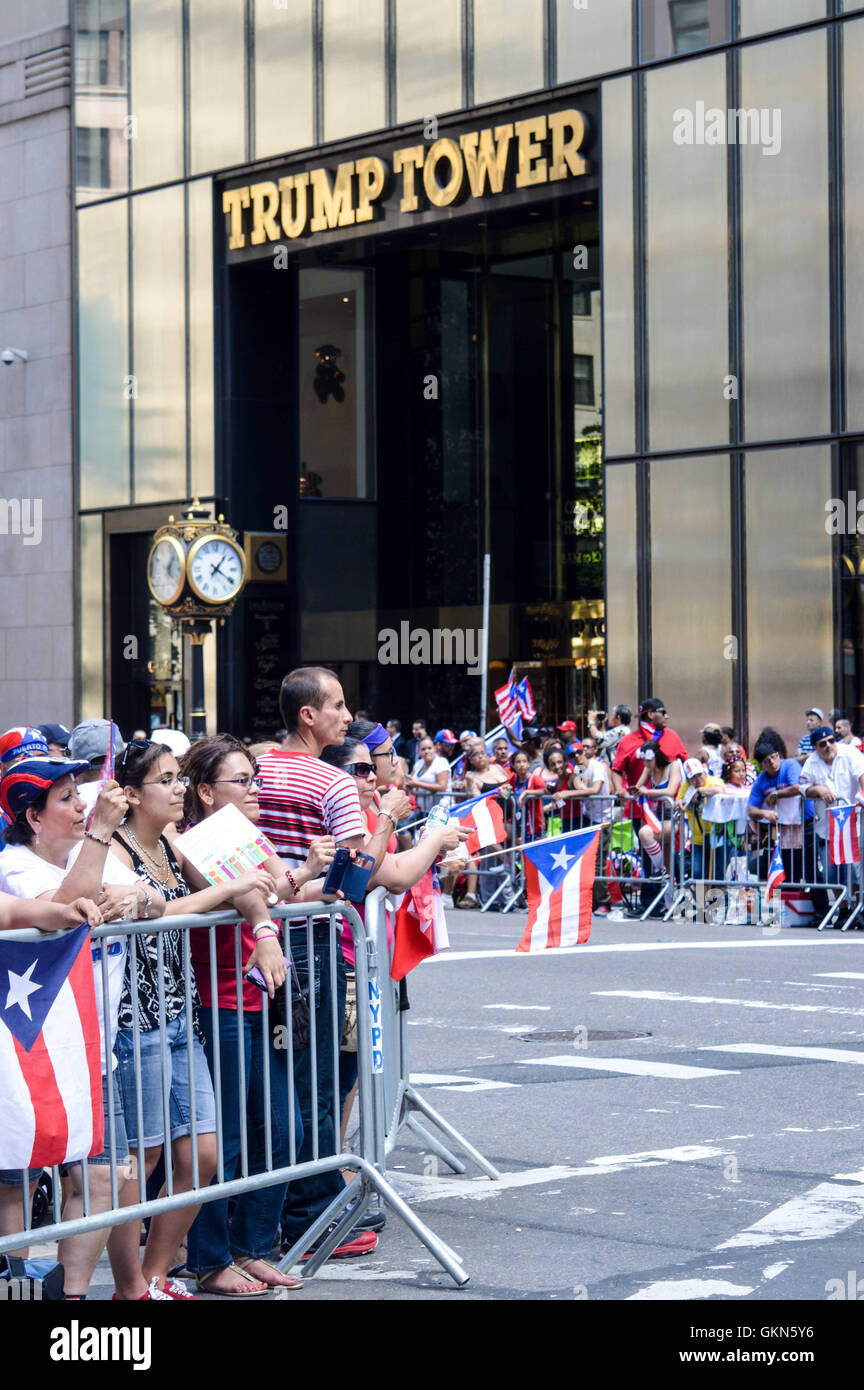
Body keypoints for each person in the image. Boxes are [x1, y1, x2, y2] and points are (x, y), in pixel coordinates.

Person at [107, 739, 281, 1300]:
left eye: (178, 779)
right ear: (132, 794)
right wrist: (232, 890)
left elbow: (260, 885)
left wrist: (263, 928)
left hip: (182, 1015)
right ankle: (130, 1288)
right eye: (165, 781)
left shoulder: (176, 843)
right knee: (144, 1159)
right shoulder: (115, 849)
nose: (179, 789)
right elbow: (163, 910)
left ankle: (156, 1278)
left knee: (203, 1154)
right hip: (135, 1022)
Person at [255, 667, 409, 1261]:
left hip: (258, 936)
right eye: (339, 707)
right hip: (312, 942)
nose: (349, 719)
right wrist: (389, 817)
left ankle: (274, 1211)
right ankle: (308, 1214)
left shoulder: (254, 773)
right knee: (315, 1085)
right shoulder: (332, 782)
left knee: (271, 1082)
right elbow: (354, 876)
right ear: (308, 716)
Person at [181, 733, 338, 1295]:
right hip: (216, 998)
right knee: (221, 1139)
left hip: (263, 995)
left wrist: (323, 875)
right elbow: (243, 894)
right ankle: (208, 1259)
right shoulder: (191, 840)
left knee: (282, 1126)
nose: (254, 790)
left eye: (256, 779)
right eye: (241, 780)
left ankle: (254, 1247)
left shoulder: (248, 833)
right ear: (204, 790)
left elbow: (278, 891)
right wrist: (274, 908)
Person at [0, 755, 163, 1297]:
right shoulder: (15, 865)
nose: (81, 805)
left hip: (92, 1049)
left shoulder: (88, 850)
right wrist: (98, 840)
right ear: (32, 817)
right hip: (26, 1053)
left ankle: (66, 1299)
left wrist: (136, 896)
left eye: (79, 793)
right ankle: (16, 1286)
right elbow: (64, 907)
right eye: (66, 797)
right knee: (16, 1179)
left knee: (105, 1177)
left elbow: (156, 899)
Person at [799, 725, 864, 923]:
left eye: (831, 741)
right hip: (827, 826)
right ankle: (843, 909)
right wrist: (817, 789)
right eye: (822, 743)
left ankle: (858, 908)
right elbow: (802, 788)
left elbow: (862, 776)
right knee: (831, 871)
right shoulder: (812, 762)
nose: (828, 745)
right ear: (815, 748)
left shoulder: (849, 753)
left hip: (853, 822)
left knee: (854, 870)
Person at [569, 739, 612, 913]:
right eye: (572, 755)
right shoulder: (576, 769)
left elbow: (595, 789)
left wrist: (568, 792)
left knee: (598, 863)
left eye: (579, 752)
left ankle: (604, 901)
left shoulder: (597, 766)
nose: (577, 756)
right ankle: (592, 900)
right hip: (587, 818)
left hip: (602, 819)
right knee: (586, 862)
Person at [405, 735, 451, 817]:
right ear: (418, 751)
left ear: (435, 748)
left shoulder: (442, 762)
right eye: (423, 749)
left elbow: (442, 787)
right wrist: (408, 784)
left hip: (439, 812)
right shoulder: (419, 764)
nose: (426, 751)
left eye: (429, 748)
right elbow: (411, 781)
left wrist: (417, 784)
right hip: (420, 810)